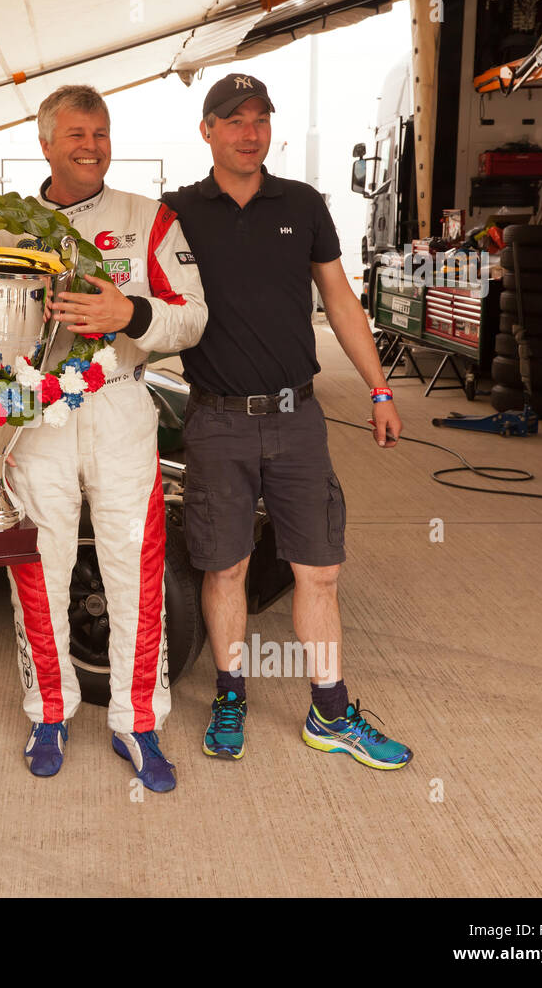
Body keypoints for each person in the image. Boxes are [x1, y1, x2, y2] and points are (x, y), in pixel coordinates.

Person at [162, 72, 412, 770]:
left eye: (260, 118)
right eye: (234, 120)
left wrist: (380, 388)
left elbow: (340, 299)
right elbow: (140, 296)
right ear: (207, 130)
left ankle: (330, 712)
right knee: (225, 568)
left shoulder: (302, 203)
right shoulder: (176, 211)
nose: (250, 133)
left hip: (297, 418)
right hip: (216, 421)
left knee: (319, 568)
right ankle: (230, 696)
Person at [0, 85, 206, 791]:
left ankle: (138, 722)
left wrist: (130, 313)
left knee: (135, 571)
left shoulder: (148, 217)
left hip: (121, 407)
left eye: (100, 133)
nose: (91, 146)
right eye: (76, 134)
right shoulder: (3, 229)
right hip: (36, 421)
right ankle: (49, 712)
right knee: (39, 572)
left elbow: (194, 317)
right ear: (45, 143)